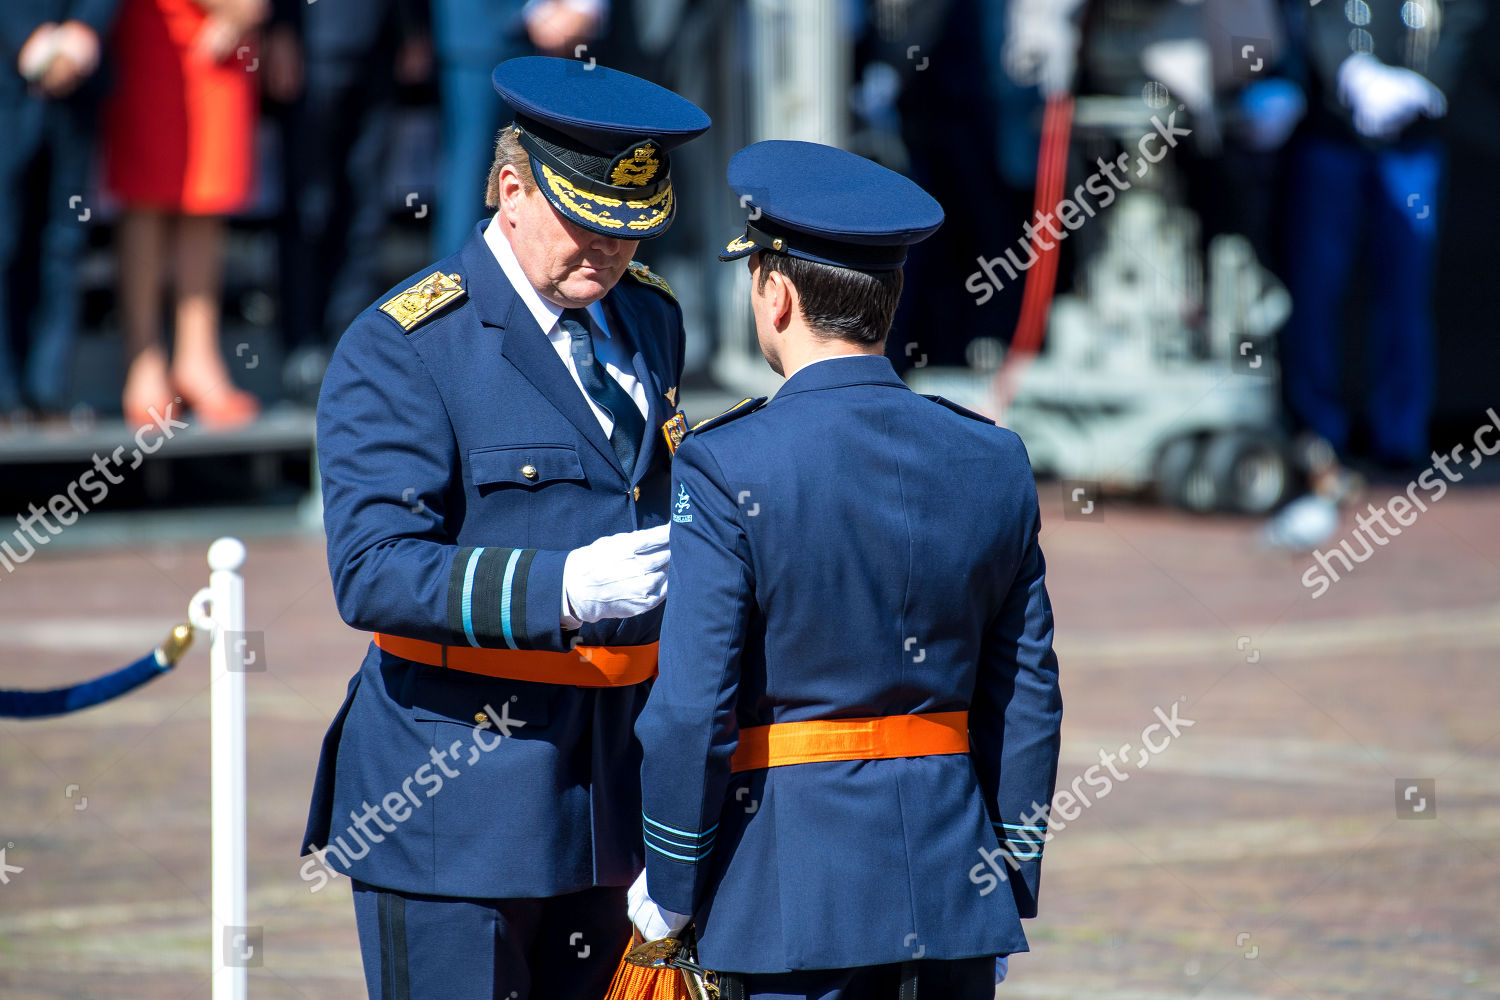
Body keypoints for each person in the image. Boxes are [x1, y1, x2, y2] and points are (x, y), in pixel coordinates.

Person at [303, 55, 709, 1000]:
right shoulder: (404, 345)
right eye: (586, 225)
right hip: (459, 798)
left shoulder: (647, 317)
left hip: (614, 791)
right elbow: (371, 570)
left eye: (629, 231)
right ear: (512, 189)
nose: (606, 255)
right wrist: (560, 590)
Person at [629, 140, 1064, 999]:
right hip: (953, 893)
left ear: (776, 292)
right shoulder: (992, 457)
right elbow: (1026, 694)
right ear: (890, 298)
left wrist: (672, 886)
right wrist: (1006, 873)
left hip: (790, 900)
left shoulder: (728, 463)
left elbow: (690, 710)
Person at [101, 0, 266, 429]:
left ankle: (198, 357)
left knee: (210, 189)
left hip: (226, 34)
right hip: (161, 23)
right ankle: (144, 360)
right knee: (147, 189)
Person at [0, 1, 120, 426]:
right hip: (8, 84)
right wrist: (28, 43)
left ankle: (49, 390)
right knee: (5, 239)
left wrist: (77, 39)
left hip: (76, 92)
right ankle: (5, 394)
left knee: (65, 242)